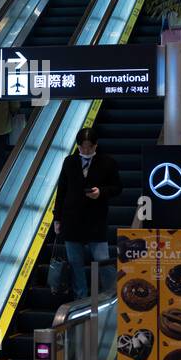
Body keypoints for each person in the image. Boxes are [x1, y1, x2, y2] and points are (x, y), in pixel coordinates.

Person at [52, 127, 122, 299]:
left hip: (95, 221)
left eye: (89, 147)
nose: (86, 150)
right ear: (78, 146)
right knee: (76, 266)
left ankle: (111, 297)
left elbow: (118, 188)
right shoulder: (70, 162)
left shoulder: (107, 162)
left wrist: (101, 192)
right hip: (72, 221)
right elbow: (61, 190)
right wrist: (57, 218)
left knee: (103, 262)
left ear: (96, 146)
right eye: (82, 147)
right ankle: (80, 301)